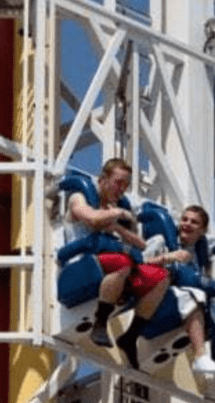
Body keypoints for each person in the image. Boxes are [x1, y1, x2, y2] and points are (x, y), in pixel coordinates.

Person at [67, 158, 170, 369]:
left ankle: (131, 336)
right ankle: (101, 322)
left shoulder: (115, 209)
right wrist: (117, 214)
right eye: (118, 182)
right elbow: (92, 219)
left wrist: (125, 228)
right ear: (103, 179)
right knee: (122, 262)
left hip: (115, 262)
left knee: (160, 277)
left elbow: (138, 243)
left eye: (126, 185)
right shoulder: (80, 196)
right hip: (83, 260)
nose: (121, 189)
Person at [143, 205, 215, 391]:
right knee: (194, 296)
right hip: (161, 294)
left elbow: (200, 280)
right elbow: (143, 262)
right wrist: (169, 257)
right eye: (185, 219)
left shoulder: (197, 254)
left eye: (193, 222)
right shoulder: (161, 240)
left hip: (187, 298)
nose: (187, 224)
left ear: (202, 230)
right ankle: (199, 356)